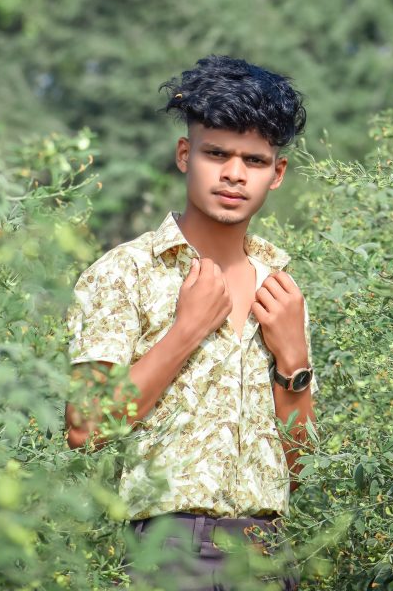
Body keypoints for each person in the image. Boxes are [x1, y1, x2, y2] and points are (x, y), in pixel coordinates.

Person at [65, 55, 318, 590]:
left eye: (254, 160)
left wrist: (293, 362)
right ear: (186, 155)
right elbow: (85, 428)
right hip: (172, 550)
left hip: (270, 555)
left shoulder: (282, 290)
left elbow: (298, 469)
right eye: (217, 153)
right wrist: (187, 329)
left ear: (276, 174)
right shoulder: (126, 272)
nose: (234, 174)